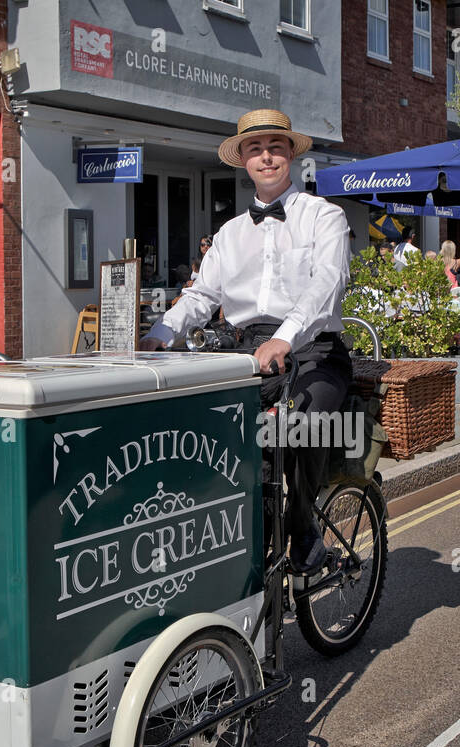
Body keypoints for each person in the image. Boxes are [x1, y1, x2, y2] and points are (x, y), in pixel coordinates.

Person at [139, 108, 351, 575]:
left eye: (276, 146)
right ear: (244, 161)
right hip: (245, 356)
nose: (267, 157)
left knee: (296, 428)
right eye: (255, 149)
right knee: (216, 444)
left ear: (291, 154)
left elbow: (326, 286)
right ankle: (241, 547)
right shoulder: (229, 234)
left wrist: (284, 337)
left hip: (314, 352)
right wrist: (159, 335)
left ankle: (303, 532)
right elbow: (199, 295)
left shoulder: (324, 216)